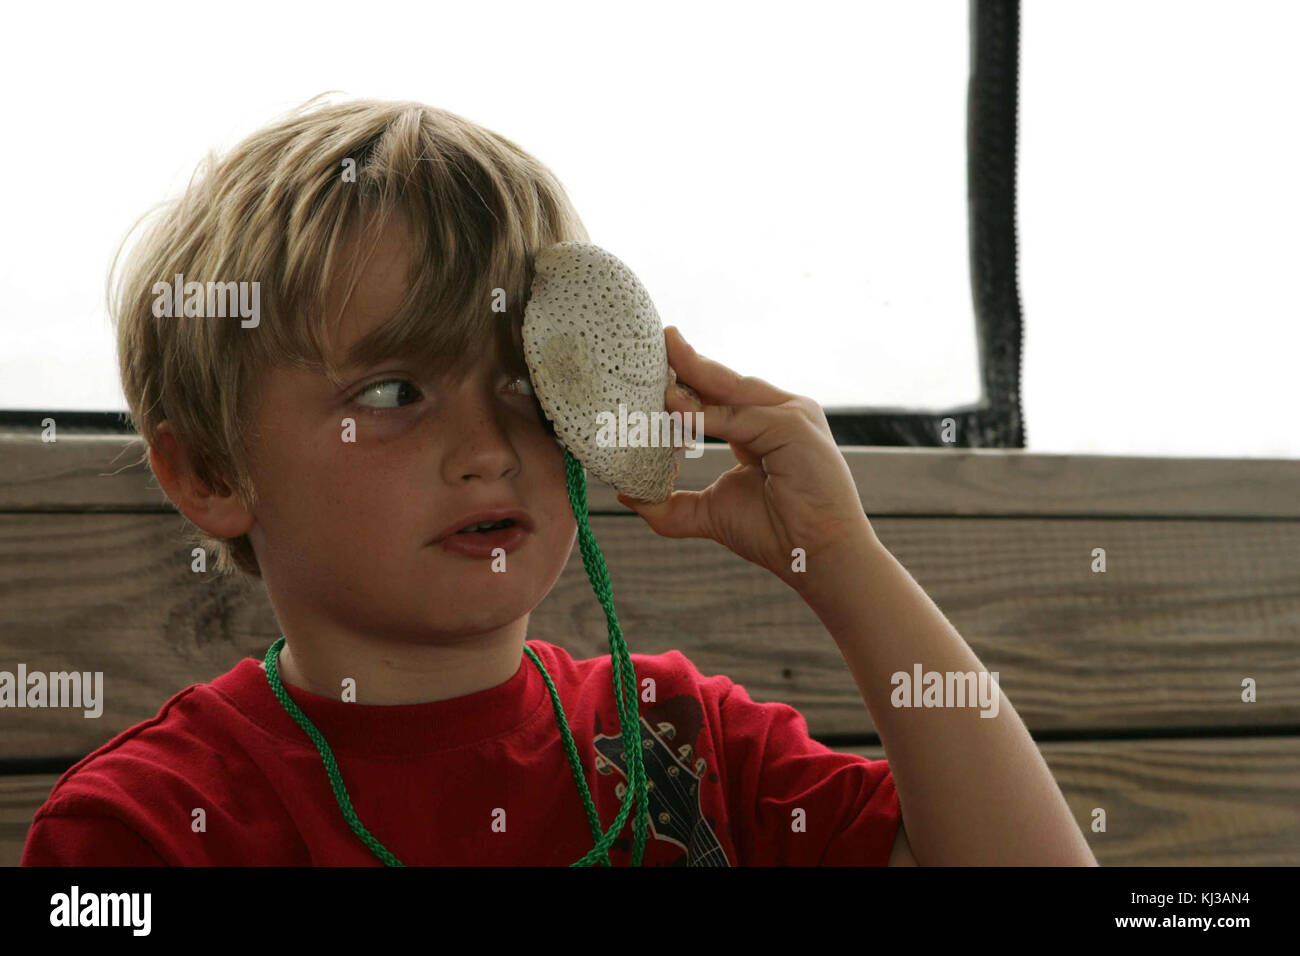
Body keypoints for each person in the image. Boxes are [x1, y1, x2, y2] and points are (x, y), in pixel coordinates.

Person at [21, 96, 1094, 866]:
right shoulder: (149, 823)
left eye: (530, 386)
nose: (488, 444)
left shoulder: (679, 737)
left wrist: (843, 561)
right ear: (210, 469)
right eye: (393, 393)